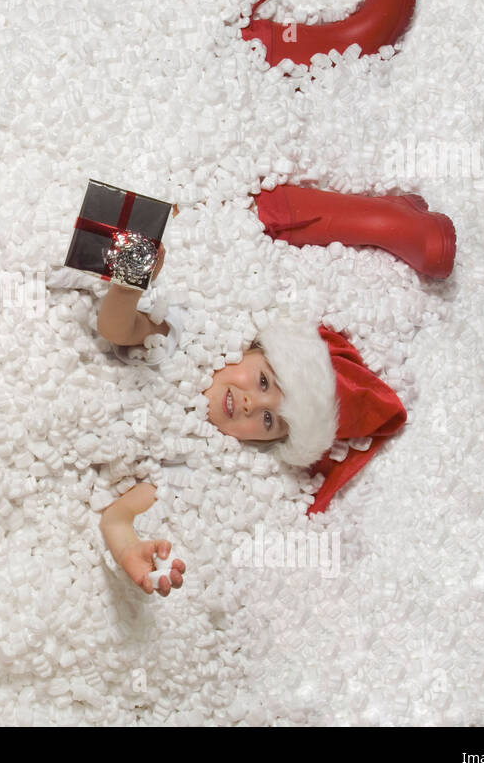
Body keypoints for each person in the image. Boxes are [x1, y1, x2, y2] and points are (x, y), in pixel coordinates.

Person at [94, 182, 452, 596]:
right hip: (224, 230)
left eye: (268, 419)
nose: (251, 402)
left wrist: (130, 550)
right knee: (243, 209)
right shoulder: (186, 340)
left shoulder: (197, 461)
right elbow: (119, 329)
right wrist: (126, 288)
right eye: (264, 381)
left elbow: (117, 517)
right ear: (251, 349)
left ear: (265, 444)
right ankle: (382, 219)